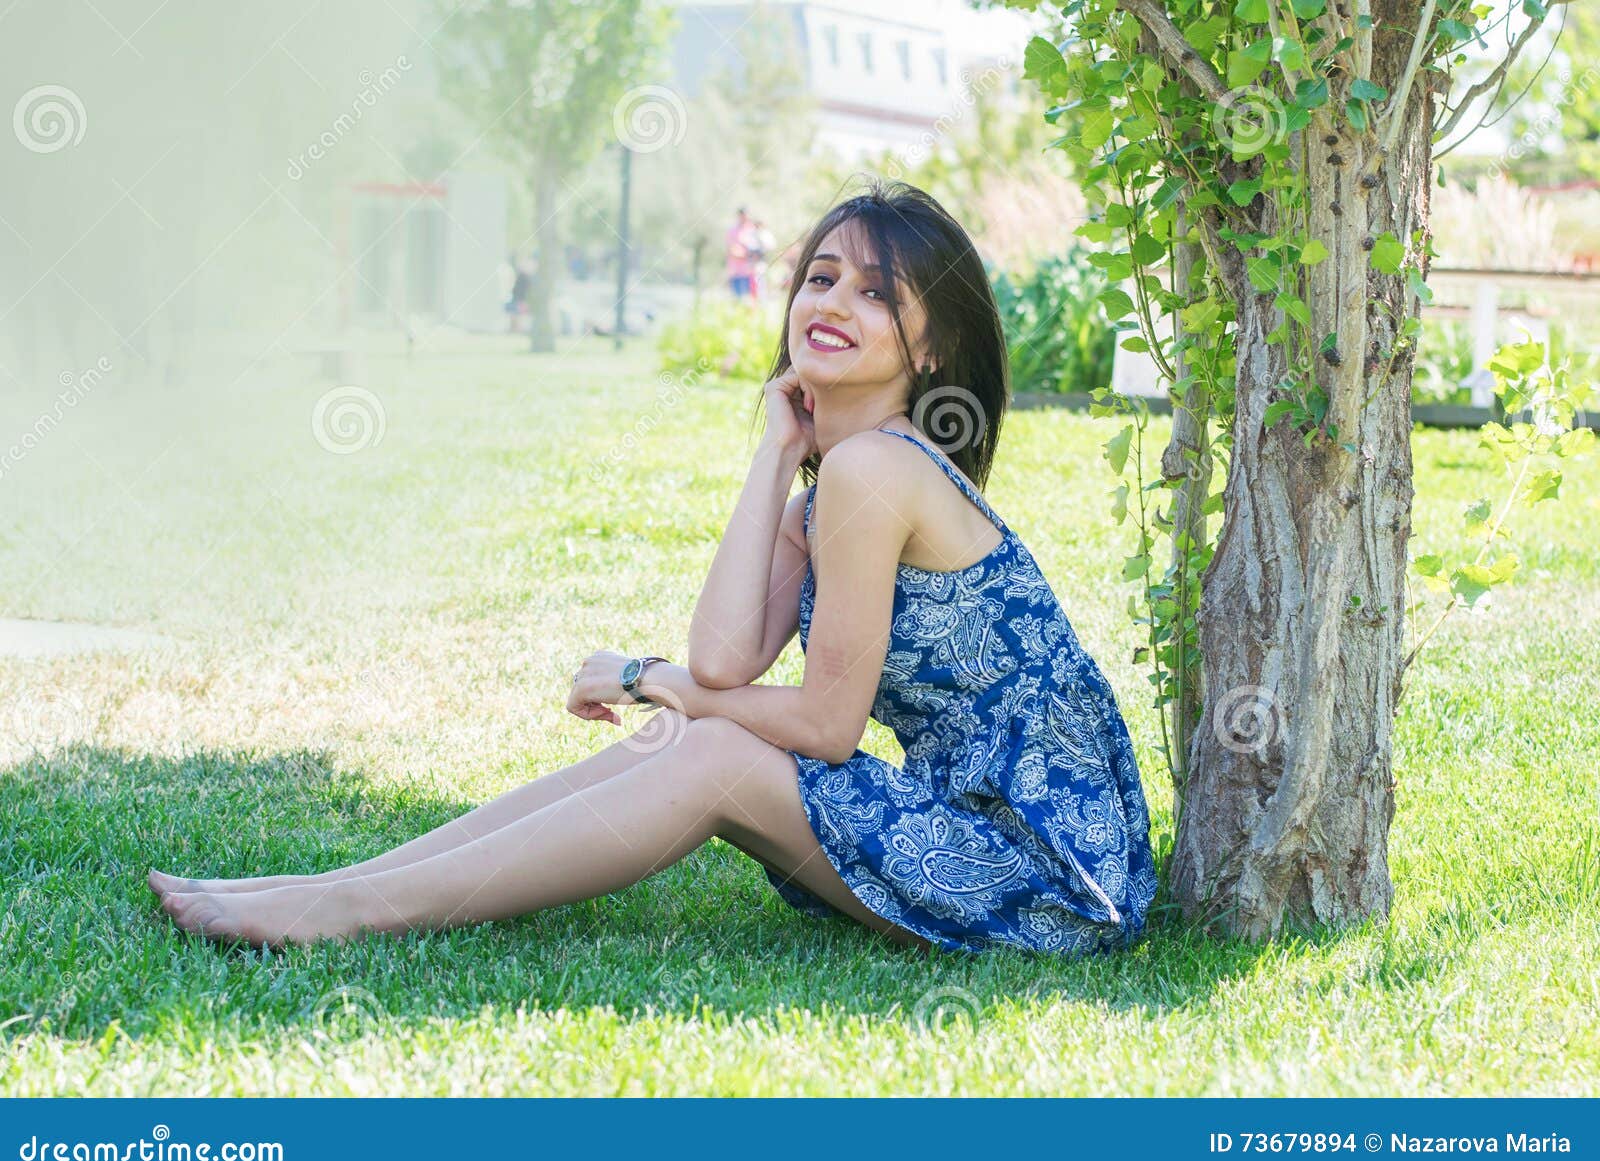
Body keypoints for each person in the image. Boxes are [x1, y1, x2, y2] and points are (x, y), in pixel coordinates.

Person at [147, 181, 1159, 956]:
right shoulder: (836, 481)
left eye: (877, 292)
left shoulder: (876, 472)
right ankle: (340, 885)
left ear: (933, 348)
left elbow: (822, 726)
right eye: (819, 276)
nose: (833, 301)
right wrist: (772, 458)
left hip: (1048, 881)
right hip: (975, 841)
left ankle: (347, 910)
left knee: (703, 746)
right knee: (692, 732)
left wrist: (644, 682)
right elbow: (723, 661)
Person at [725, 206, 759, 302]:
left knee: (751, 301)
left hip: (750, 272)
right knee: (738, 300)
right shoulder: (732, 231)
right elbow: (731, 250)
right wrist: (747, 254)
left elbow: (758, 248)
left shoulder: (752, 229)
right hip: (736, 272)